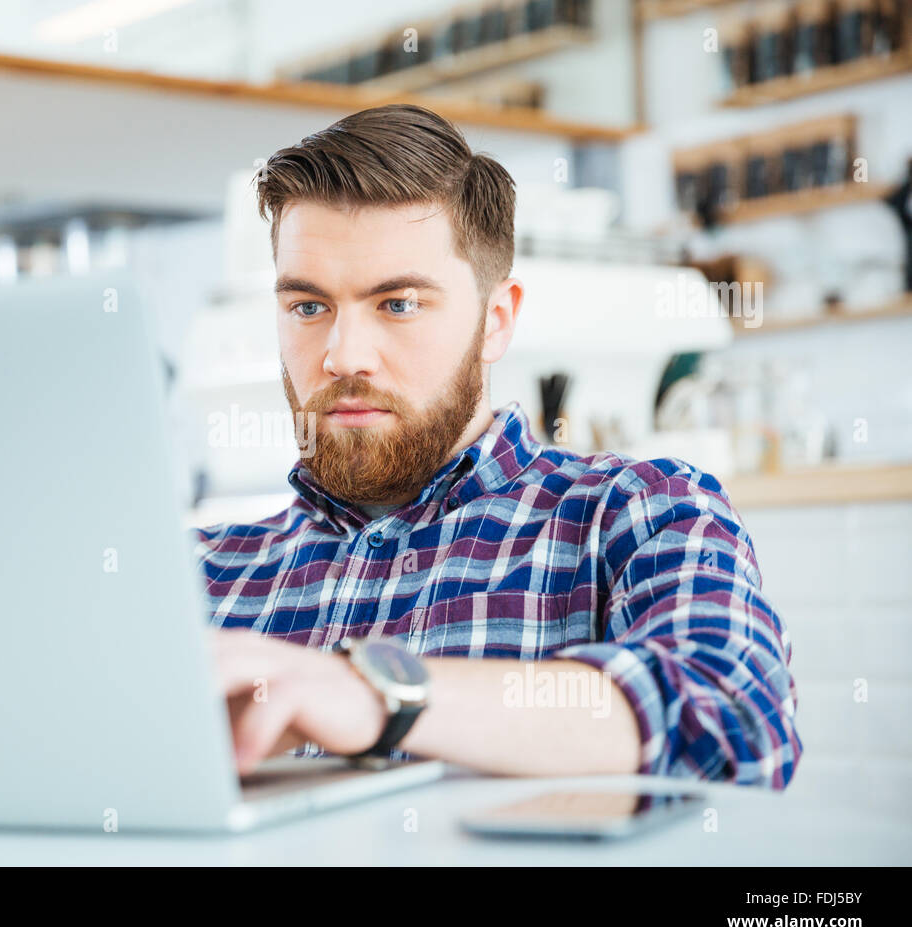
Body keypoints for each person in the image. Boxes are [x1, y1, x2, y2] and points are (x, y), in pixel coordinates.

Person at [198, 104, 802, 789]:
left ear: (496, 321)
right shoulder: (199, 578)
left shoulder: (640, 513)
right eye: (308, 307)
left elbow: (736, 727)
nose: (343, 357)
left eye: (398, 304)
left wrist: (373, 692)